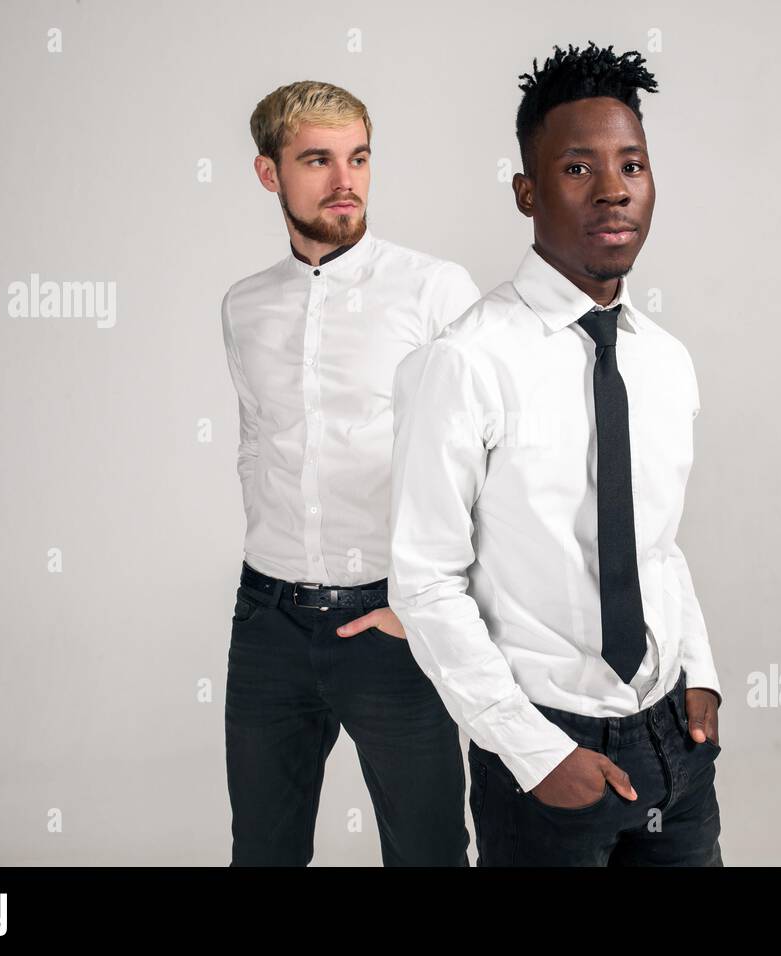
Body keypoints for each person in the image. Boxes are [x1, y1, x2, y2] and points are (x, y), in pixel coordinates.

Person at [388, 43, 725, 866]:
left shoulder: (665, 361)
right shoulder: (465, 362)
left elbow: (656, 544)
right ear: (527, 192)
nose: (613, 188)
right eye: (578, 168)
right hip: (546, 753)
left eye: (632, 164)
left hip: (674, 746)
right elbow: (425, 581)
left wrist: (701, 675)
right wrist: (535, 755)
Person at [221, 80, 479, 866]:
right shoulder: (245, 305)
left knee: (429, 852)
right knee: (262, 853)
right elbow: (257, 443)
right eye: (318, 160)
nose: (346, 180)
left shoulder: (435, 291)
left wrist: (425, 604)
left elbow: (482, 465)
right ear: (270, 174)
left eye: (359, 158)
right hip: (268, 624)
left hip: (390, 625)